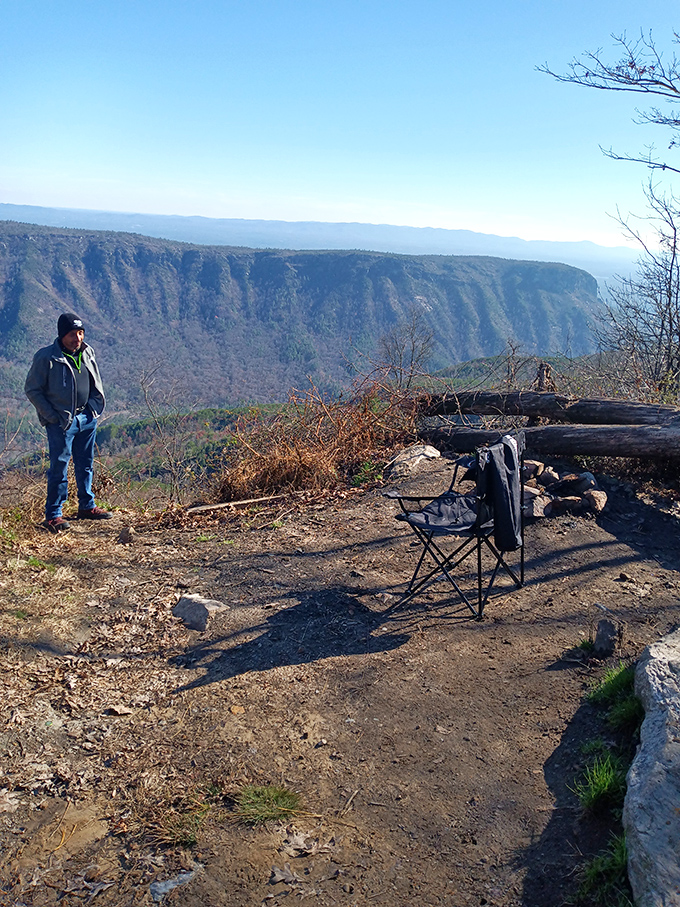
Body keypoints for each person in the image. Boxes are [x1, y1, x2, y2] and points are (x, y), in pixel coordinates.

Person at [25, 312, 112, 533]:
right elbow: (33, 389)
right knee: (60, 467)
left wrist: (93, 409)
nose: (78, 338)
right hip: (62, 422)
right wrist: (52, 416)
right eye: (73, 334)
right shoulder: (47, 357)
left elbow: (95, 381)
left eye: (81, 333)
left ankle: (87, 506)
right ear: (62, 335)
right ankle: (53, 515)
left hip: (87, 417)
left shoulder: (87, 352)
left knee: (85, 464)